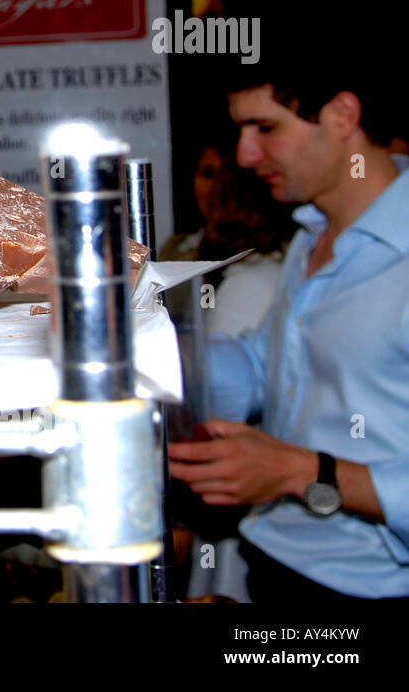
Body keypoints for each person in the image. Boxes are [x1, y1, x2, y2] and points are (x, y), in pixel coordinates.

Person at [168, 43, 409, 601]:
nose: (246, 155)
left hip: (367, 586)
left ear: (343, 116)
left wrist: (300, 471)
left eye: (264, 128)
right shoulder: (311, 237)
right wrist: (144, 343)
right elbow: (262, 366)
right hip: (277, 557)